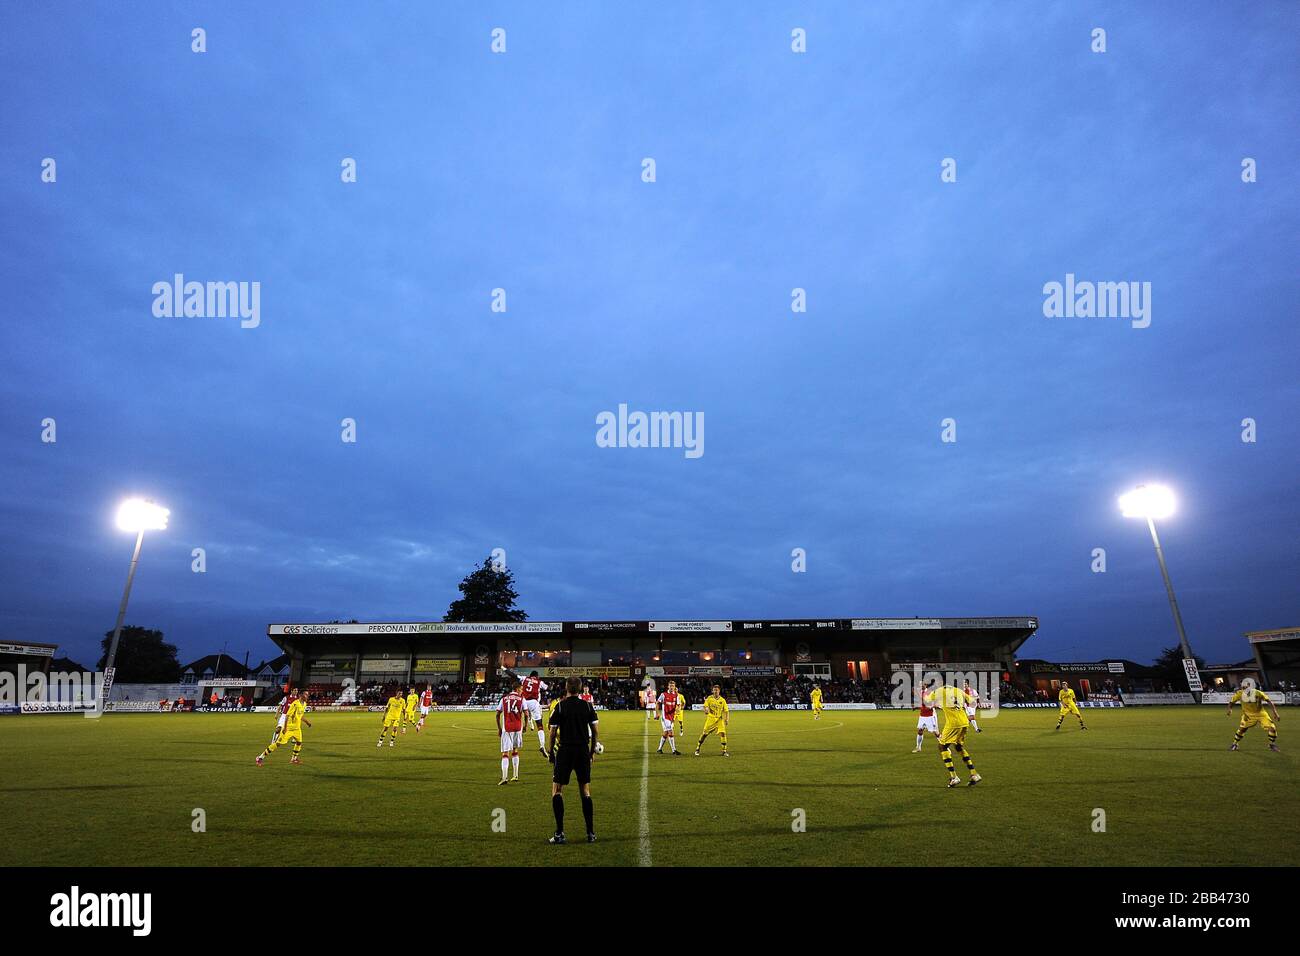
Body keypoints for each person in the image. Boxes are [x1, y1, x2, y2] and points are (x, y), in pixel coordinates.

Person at [546, 677, 599, 844]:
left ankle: (559, 833)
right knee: (585, 790)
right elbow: (595, 731)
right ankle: (590, 833)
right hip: (582, 750)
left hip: (565, 751)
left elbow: (552, 732)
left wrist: (551, 752)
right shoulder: (588, 706)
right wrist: (591, 751)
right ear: (580, 689)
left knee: (557, 790)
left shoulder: (560, 706)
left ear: (566, 688)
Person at [926, 684, 981, 788]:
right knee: (958, 747)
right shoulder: (958, 690)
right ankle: (974, 774)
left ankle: (954, 777)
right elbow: (972, 701)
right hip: (964, 721)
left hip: (953, 724)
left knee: (942, 746)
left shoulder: (939, 691)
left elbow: (927, 700)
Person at [256, 692, 311, 765]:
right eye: (306, 695)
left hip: (297, 728)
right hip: (289, 728)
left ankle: (293, 759)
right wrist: (285, 728)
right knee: (278, 744)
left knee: (299, 742)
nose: (307, 696)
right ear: (301, 695)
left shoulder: (304, 704)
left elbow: (300, 716)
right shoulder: (295, 704)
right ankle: (260, 757)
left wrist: (307, 722)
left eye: (307, 695)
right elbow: (287, 716)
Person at [1227, 684, 1280, 752]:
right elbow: (1231, 702)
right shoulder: (1239, 693)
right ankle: (1235, 744)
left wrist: (1275, 713)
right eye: (1243, 688)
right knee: (1242, 729)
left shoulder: (1258, 693)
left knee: (1272, 728)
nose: (1244, 689)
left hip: (1261, 714)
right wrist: (1230, 709)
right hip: (1248, 715)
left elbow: (1269, 701)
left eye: (1245, 687)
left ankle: (1272, 745)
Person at [496, 678, 525, 784]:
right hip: (517, 728)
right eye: (521, 689)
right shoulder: (522, 699)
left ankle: (504, 777)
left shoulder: (504, 699)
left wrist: (499, 728)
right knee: (515, 750)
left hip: (506, 728)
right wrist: (525, 725)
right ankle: (515, 775)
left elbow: (497, 714)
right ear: (517, 689)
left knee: (505, 753)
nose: (522, 691)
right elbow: (526, 713)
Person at [694, 684, 730, 757]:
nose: (716, 691)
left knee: (723, 733)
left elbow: (726, 711)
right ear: (712, 691)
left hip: (719, 719)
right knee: (704, 734)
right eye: (714, 690)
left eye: (717, 690)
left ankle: (724, 751)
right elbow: (705, 707)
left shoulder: (722, 700)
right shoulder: (709, 698)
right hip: (711, 719)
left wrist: (726, 719)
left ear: (719, 691)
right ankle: (697, 748)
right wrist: (706, 710)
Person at [520, 671, 549, 756]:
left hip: (524, 701)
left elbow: (513, 675)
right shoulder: (539, 682)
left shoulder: (525, 678)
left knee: (519, 718)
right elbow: (547, 687)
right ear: (536, 676)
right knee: (540, 726)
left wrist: (503, 668)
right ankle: (542, 745)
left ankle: (516, 740)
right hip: (534, 702)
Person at [656, 680, 683, 755]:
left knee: (666, 733)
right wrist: (657, 713)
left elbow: (678, 705)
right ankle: (674, 750)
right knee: (670, 732)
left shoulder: (676, 696)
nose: (671, 687)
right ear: (668, 686)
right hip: (665, 717)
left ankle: (659, 749)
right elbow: (657, 703)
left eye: (673, 686)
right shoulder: (663, 694)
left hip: (672, 717)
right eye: (670, 686)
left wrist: (678, 708)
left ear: (675, 687)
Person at [913, 683, 939, 753]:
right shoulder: (920, 692)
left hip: (930, 715)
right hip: (922, 715)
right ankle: (918, 747)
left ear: (925, 685)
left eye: (922, 685)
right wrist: (916, 707)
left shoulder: (930, 692)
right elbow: (922, 704)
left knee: (936, 733)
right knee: (920, 731)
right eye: (920, 685)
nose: (921, 686)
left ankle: (946, 747)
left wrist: (931, 706)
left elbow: (936, 703)